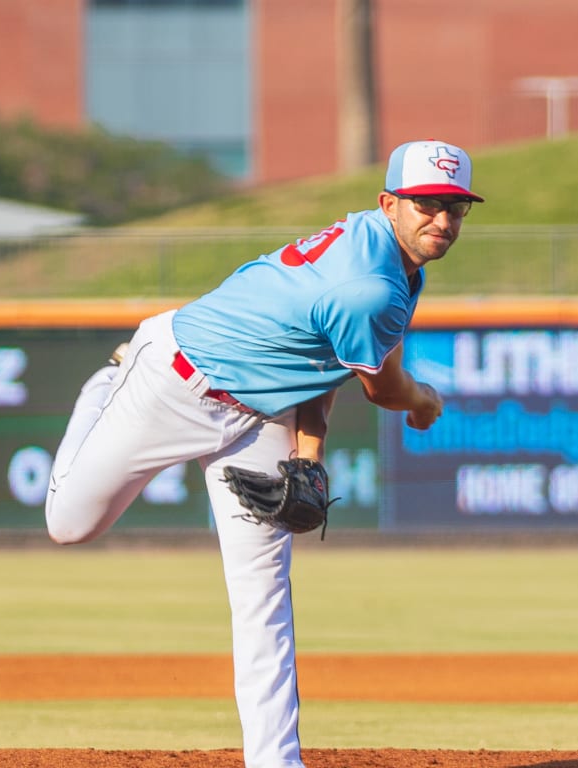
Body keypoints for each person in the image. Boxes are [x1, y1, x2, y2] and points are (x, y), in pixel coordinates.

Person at [45, 139, 480, 768]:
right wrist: (423, 400)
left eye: (456, 208)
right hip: (172, 381)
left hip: (260, 414)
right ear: (389, 203)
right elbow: (384, 387)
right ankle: (104, 384)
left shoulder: (385, 251)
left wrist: (309, 454)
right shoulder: (369, 285)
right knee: (70, 526)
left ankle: (276, 761)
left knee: (262, 588)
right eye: (427, 204)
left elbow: (316, 360)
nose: (442, 220)